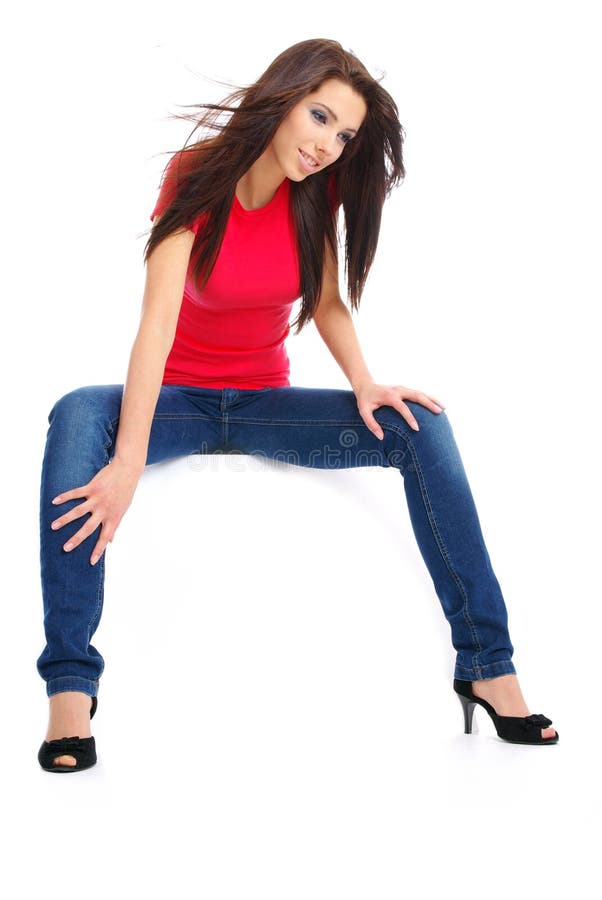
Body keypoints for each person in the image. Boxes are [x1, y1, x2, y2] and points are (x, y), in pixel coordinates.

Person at [36, 38, 558, 773]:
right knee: (76, 412)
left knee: (423, 423)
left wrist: (366, 383)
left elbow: (328, 303)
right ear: (281, 99)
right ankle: (70, 690)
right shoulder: (196, 175)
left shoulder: (316, 193)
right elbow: (155, 324)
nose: (327, 145)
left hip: (263, 405)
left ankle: (487, 665)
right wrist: (127, 458)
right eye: (320, 118)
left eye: (343, 135)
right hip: (178, 400)